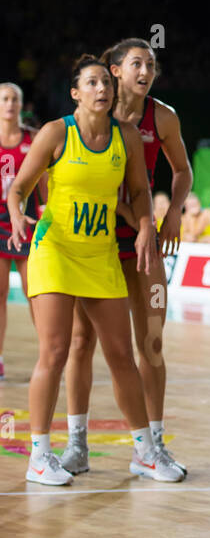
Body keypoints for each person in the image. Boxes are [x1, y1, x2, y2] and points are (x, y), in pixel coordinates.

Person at [6, 56, 182, 485]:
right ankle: (40, 456)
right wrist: (15, 214)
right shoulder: (55, 132)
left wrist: (146, 225)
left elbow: (139, 192)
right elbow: (19, 187)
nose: (102, 89)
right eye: (92, 83)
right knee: (56, 350)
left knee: (121, 354)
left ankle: (145, 452)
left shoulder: (126, 137)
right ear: (75, 93)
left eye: (105, 82)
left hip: (100, 254)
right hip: (55, 250)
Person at [59, 38, 192, 479]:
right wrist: (136, 216)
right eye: (137, 63)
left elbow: (182, 170)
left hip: (143, 242)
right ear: (115, 71)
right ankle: (76, 446)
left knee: (151, 343)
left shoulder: (163, 117)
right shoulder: (95, 115)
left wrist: (173, 212)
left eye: (151, 64)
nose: (146, 71)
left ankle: (152, 446)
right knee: (81, 342)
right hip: (95, 241)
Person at [0, 82, 43, 378]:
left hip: (27, 222)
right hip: (0, 222)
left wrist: (45, 215)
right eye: (4, 99)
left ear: (21, 104)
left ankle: (50, 354)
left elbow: (45, 184)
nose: (10, 104)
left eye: (14, 99)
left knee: (35, 293)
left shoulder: (34, 138)